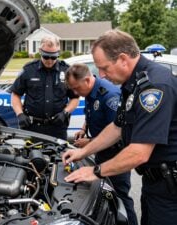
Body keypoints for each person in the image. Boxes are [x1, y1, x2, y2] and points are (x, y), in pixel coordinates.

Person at [62, 29, 177, 225]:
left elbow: (139, 153)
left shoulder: (154, 87)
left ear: (123, 59)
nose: (102, 75)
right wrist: (83, 152)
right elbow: (117, 128)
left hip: (169, 190)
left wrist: (95, 171)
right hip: (155, 183)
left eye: (104, 68)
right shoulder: (133, 84)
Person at [65, 63, 138, 225]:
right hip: (101, 152)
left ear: (87, 80)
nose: (76, 93)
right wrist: (84, 129)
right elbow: (91, 113)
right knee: (104, 194)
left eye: (77, 88)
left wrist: (88, 142)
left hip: (116, 154)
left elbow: (119, 132)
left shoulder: (109, 95)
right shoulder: (91, 93)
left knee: (120, 196)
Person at [10, 35, 79, 140]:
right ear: (40, 51)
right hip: (32, 127)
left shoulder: (66, 71)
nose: (50, 60)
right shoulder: (28, 70)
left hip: (57, 128)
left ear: (58, 53)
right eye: (46, 56)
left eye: (54, 57)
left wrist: (65, 113)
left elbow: (75, 97)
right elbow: (15, 94)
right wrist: (20, 114)